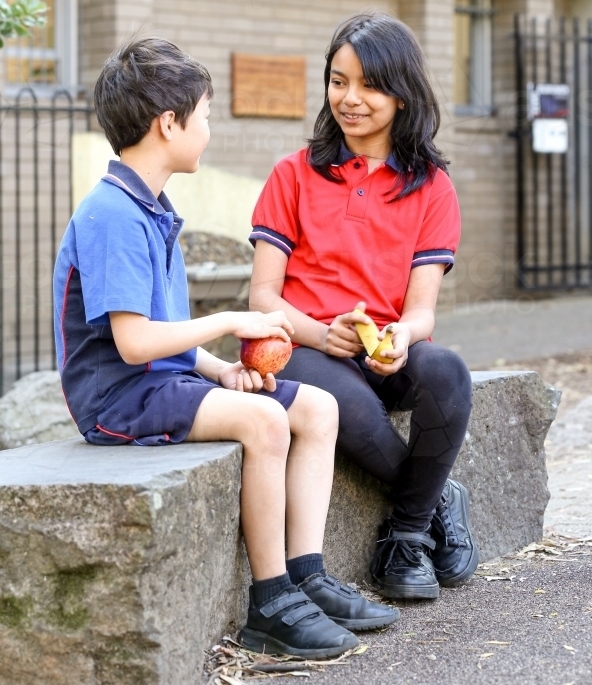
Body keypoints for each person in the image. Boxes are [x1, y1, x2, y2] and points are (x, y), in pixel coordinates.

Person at [53, 38, 398, 659]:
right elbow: (133, 346)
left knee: (318, 409)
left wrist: (223, 370)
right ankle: (270, 602)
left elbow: (166, 334)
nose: (209, 129)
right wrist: (233, 319)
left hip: (160, 384)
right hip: (118, 400)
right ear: (168, 124)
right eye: (205, 116)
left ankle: (306, 576)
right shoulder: (111, 216)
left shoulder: (151, 208)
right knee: (265, 419)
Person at [249, 13, 478, 600]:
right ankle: (433, 497)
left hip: (385, 348)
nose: (349, 99)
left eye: (368, 85)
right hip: (303, 345)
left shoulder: (431, 185)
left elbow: (422, 310)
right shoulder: (292, 175)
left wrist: (401, 335)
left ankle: (403, 535)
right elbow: (263, 297)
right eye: (337, 81)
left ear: (403, 94)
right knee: (337, 399)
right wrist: (321, 335)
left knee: (447, 371)